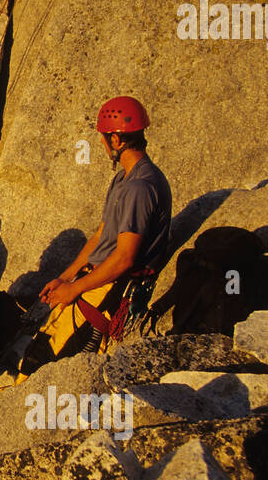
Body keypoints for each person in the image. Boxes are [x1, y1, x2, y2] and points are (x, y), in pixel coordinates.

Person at [22, 96, 172, 374]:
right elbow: (101, 236)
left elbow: (125, 259)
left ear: (116, 139)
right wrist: (65, 278)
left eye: (104, 138)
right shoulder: (123, 179)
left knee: (45, 363)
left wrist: (76, 289)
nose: (102, 144)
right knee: (40, 344)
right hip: (95, 279)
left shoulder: (139, 187)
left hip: (111, 287)